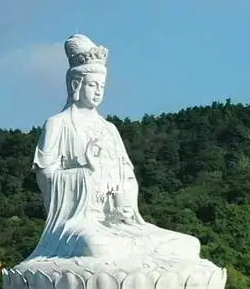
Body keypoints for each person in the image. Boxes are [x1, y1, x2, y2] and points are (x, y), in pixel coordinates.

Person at [30, 34, 200, 263]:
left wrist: (125, 195)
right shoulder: (58, 124)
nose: (98, 91)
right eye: (92, 85)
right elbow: (45, 176)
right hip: (81, 221)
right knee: (97, 248)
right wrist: (87, 174)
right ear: (75, 85)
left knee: (189, 244)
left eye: (102, 85)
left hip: (118, 221)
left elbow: (127, 174)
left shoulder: (109, 129)